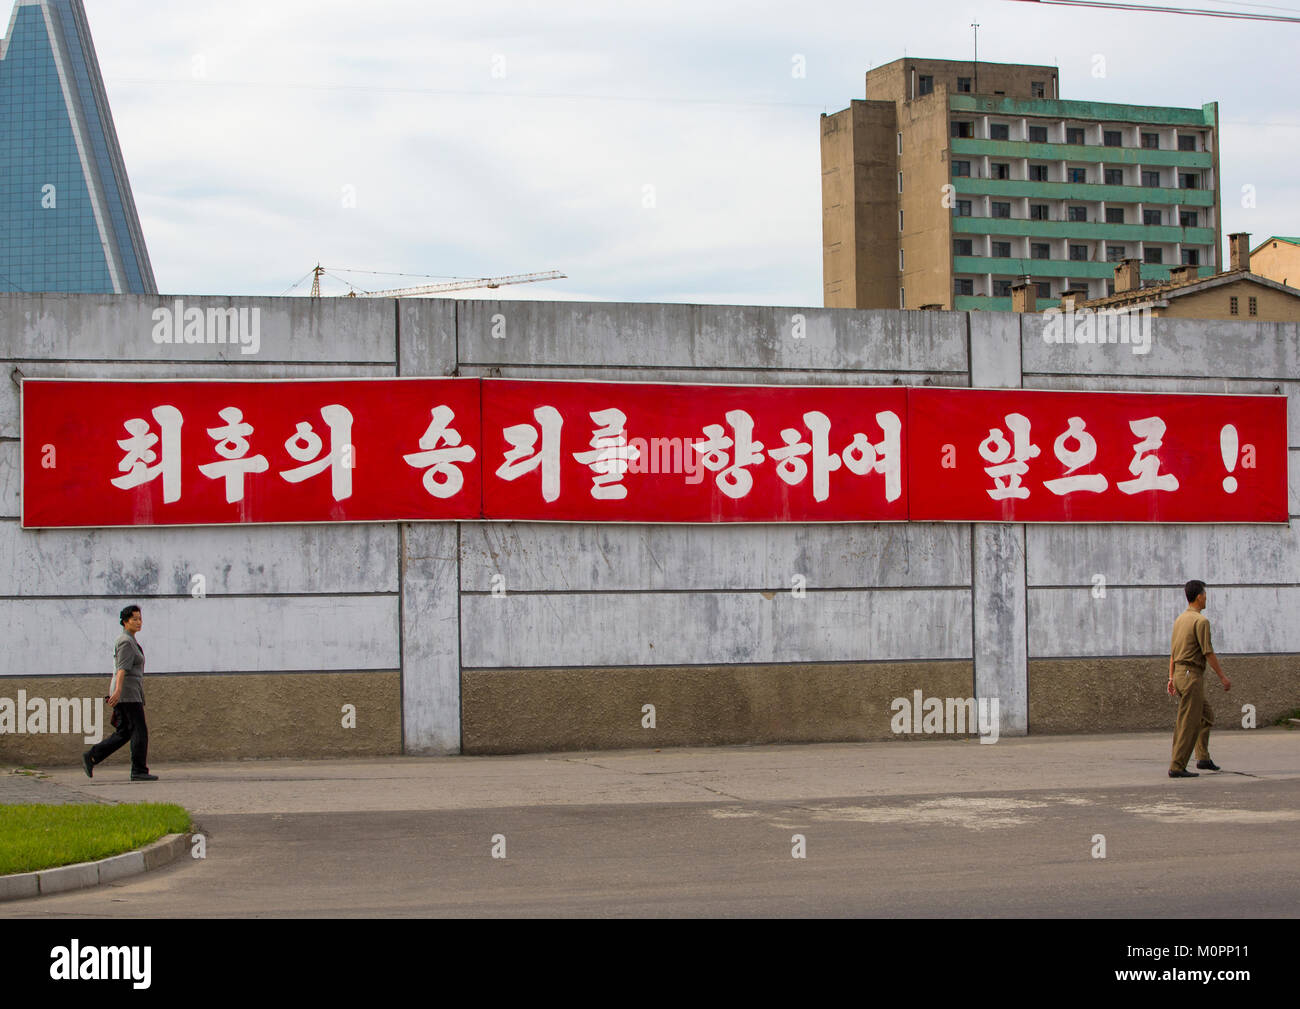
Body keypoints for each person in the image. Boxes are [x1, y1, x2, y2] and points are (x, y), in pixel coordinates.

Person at [82, 604, 157, 782]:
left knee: (124, 732)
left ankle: (92, 756)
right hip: (127, 693)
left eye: (140, 619)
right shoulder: (125, 641)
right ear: (125, 622)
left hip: (129, 692)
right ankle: (138, 770)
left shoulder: (130, 640)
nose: (139, 622)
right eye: (134, 619)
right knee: (139, 731)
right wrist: (117, 691)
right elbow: (121, 669)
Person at [1167, 579, 1230, 778]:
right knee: (1188, 722)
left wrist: (1171, 678)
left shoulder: (1180, 619)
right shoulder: (1200, 621)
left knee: (1206, 716)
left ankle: (1202, 757)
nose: (1206, 598)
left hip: (1179, 673)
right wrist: (1223, 677)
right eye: (1205, 594)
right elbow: (1208, 653)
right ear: (1199, 596)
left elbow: (1173, 653)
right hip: (1190, 675)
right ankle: (1177, 766)